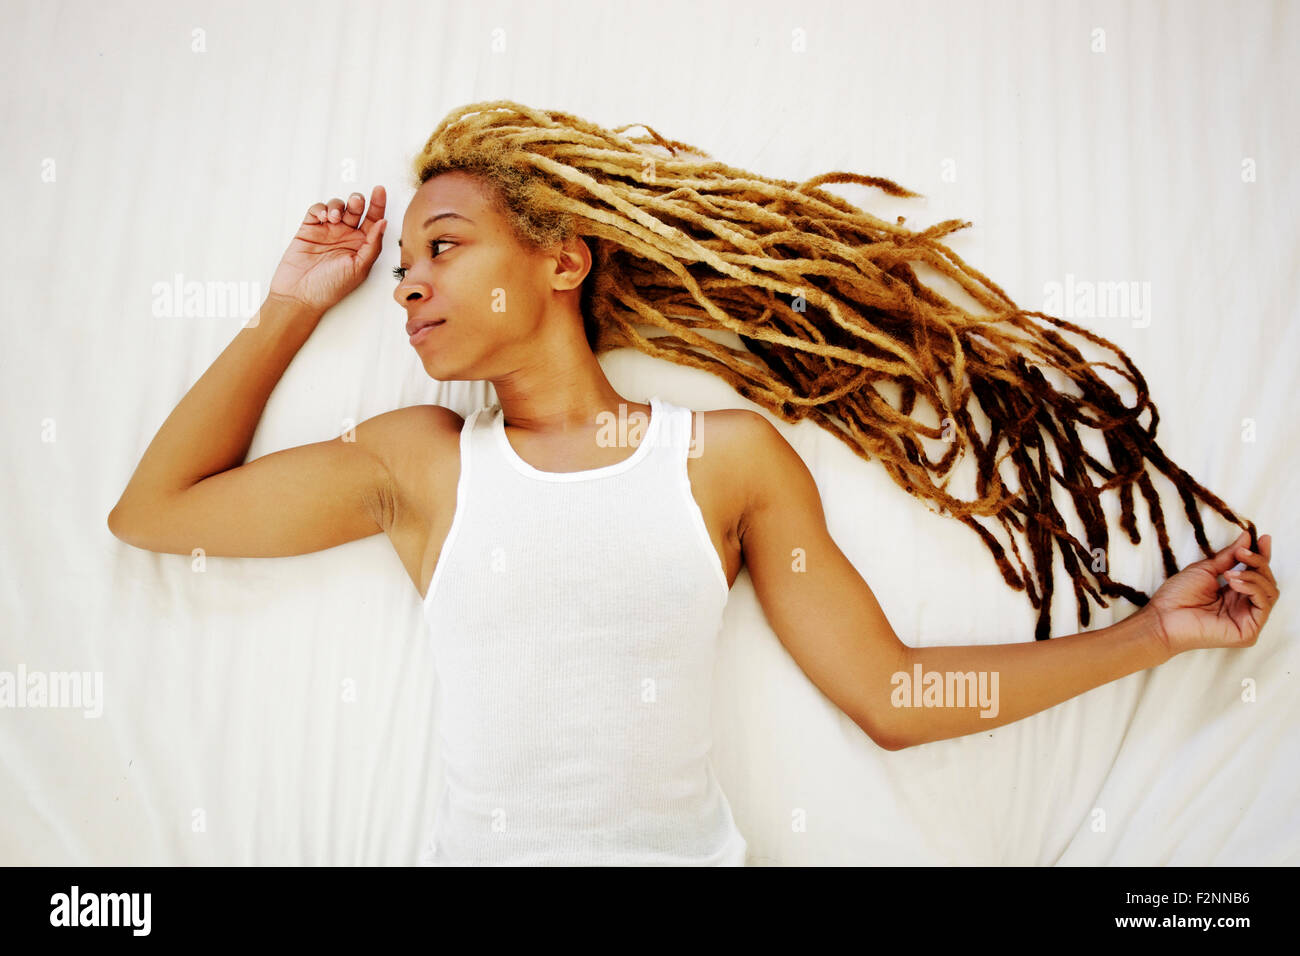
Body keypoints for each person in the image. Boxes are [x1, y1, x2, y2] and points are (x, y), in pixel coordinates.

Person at [108, 101, 1278, 866]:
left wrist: (1153, 635)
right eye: (402, 265)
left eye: (444, 246)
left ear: (563, 258)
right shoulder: (417, 461)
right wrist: (294, 301)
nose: (409, 284)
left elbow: (893, 695)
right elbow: (155, 512)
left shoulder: (724, 459)